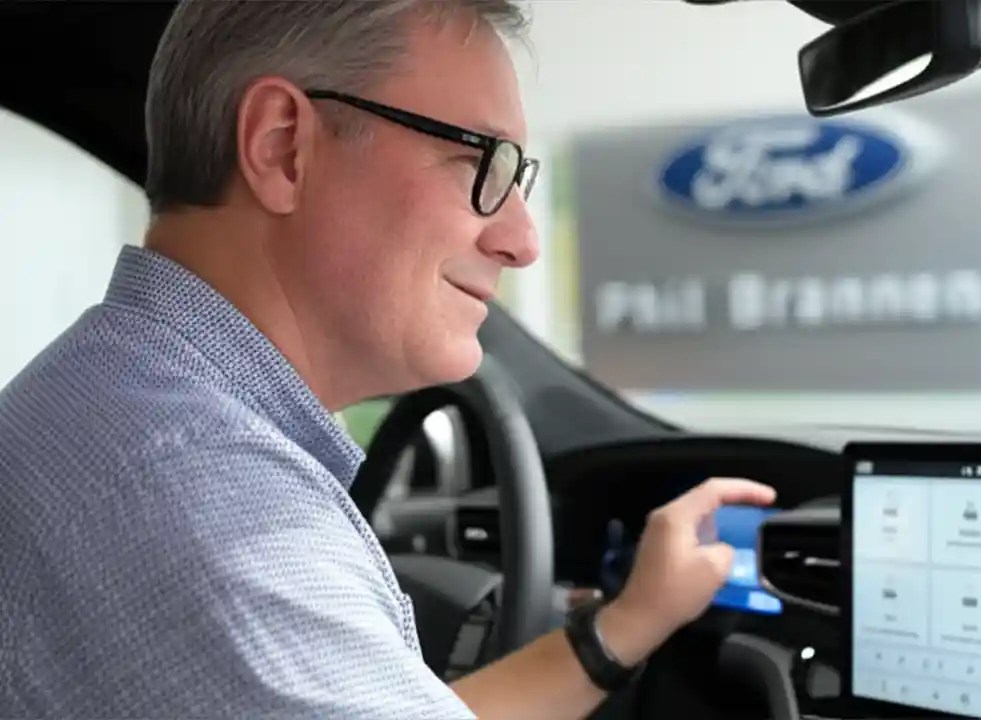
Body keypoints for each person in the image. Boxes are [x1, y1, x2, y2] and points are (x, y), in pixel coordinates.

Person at [0, 1, 776, 718]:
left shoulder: (105, 402)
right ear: (283, 147)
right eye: (482, 164)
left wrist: (624, 626)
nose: (523, 241)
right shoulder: (221, 512)